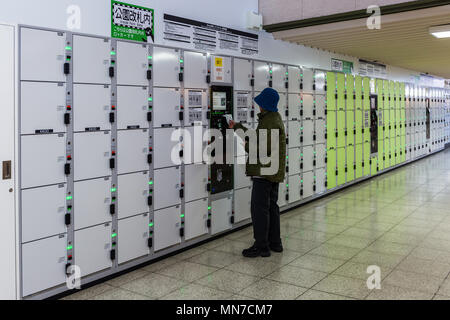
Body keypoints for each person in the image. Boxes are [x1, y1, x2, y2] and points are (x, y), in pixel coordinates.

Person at [229, 88, 286, 258]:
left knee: (259, 209)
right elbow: (257, 136)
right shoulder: (271, 118)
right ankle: (275, 243)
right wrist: (237, 127)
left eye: (260, 103)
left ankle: (261, 246)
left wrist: (247, 147)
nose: (258, 106)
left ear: (265, 104)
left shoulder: (270, 121)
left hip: (264, 172)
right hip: (271, 172)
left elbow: (263, 147)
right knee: (271, 208)